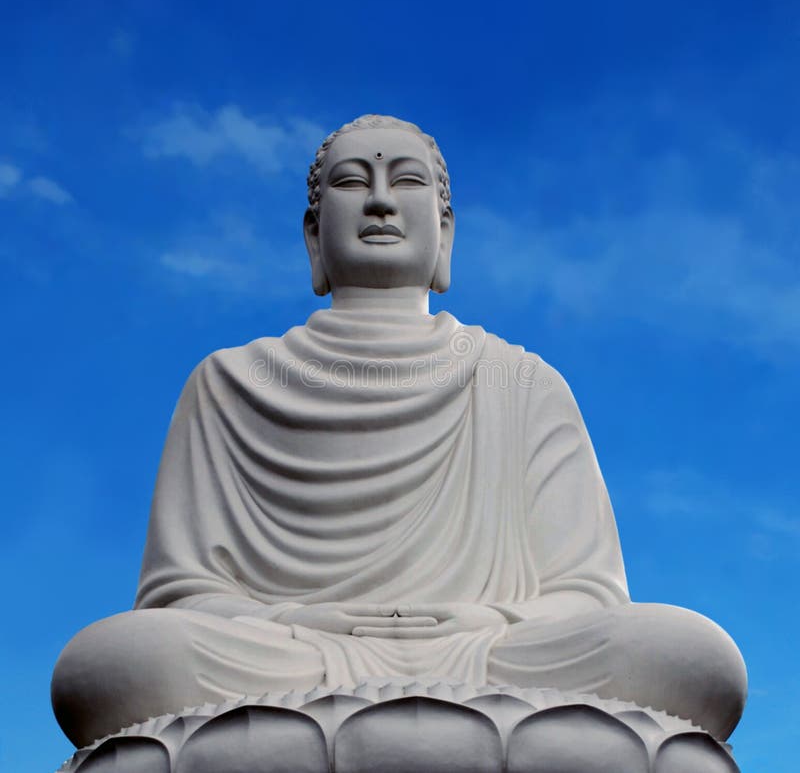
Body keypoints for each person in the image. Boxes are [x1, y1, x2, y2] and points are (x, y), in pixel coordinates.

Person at [52, 115, 747, 749]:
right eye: (352, 183)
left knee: (690, 656)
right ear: (312, 235)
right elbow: (182, 593)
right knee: (114, 663)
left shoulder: (520, 381)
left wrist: (491, 624)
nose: (380, 202)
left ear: (445, 232)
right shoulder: (228, 381)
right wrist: (297, 623)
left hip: (488, 654)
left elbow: (587, 593)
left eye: (406, 182)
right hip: (292, 654)